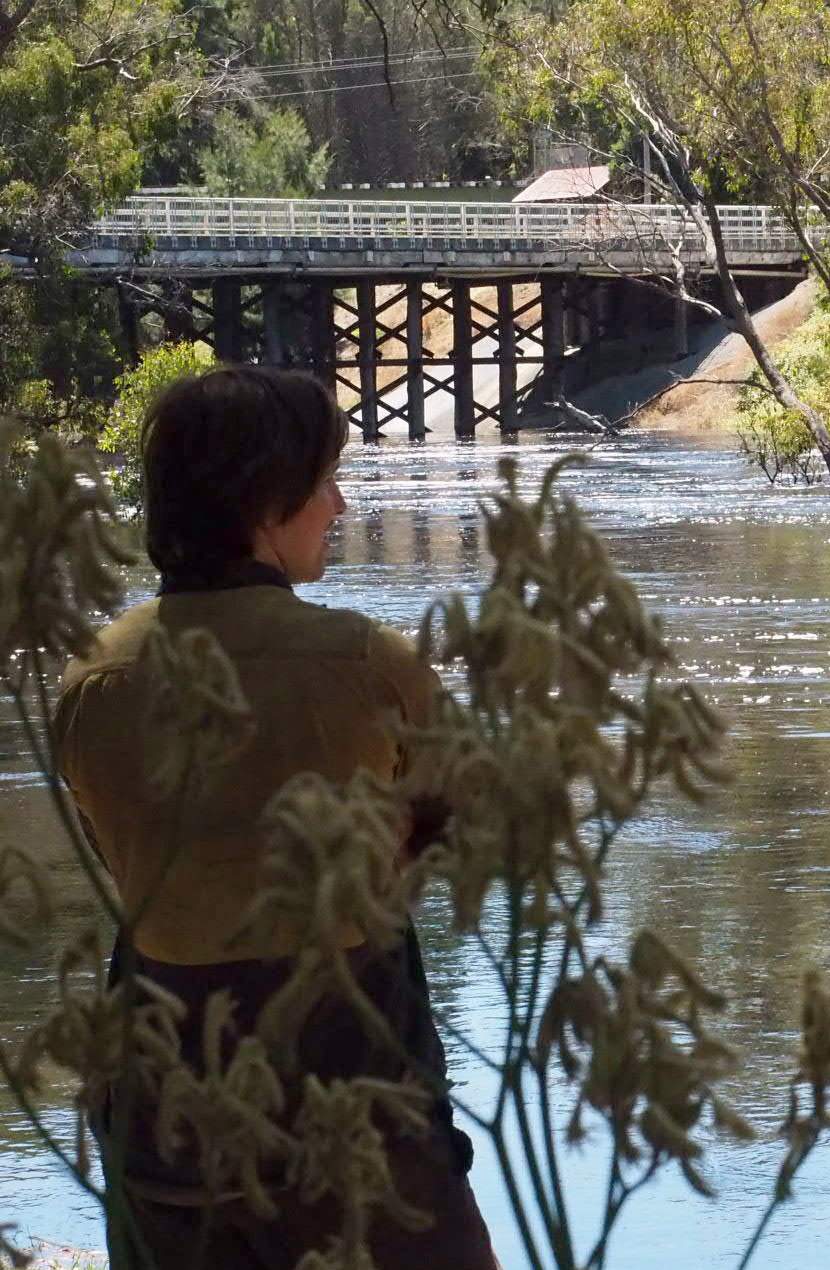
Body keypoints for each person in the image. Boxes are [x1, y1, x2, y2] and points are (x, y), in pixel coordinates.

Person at [52, 366, 495, 1269]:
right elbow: (455, 827)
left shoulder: (90, 676)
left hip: (159, 1115)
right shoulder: (368, 664)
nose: (337, 504)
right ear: (264, 499)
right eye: (323, 481)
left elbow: (122, 856)